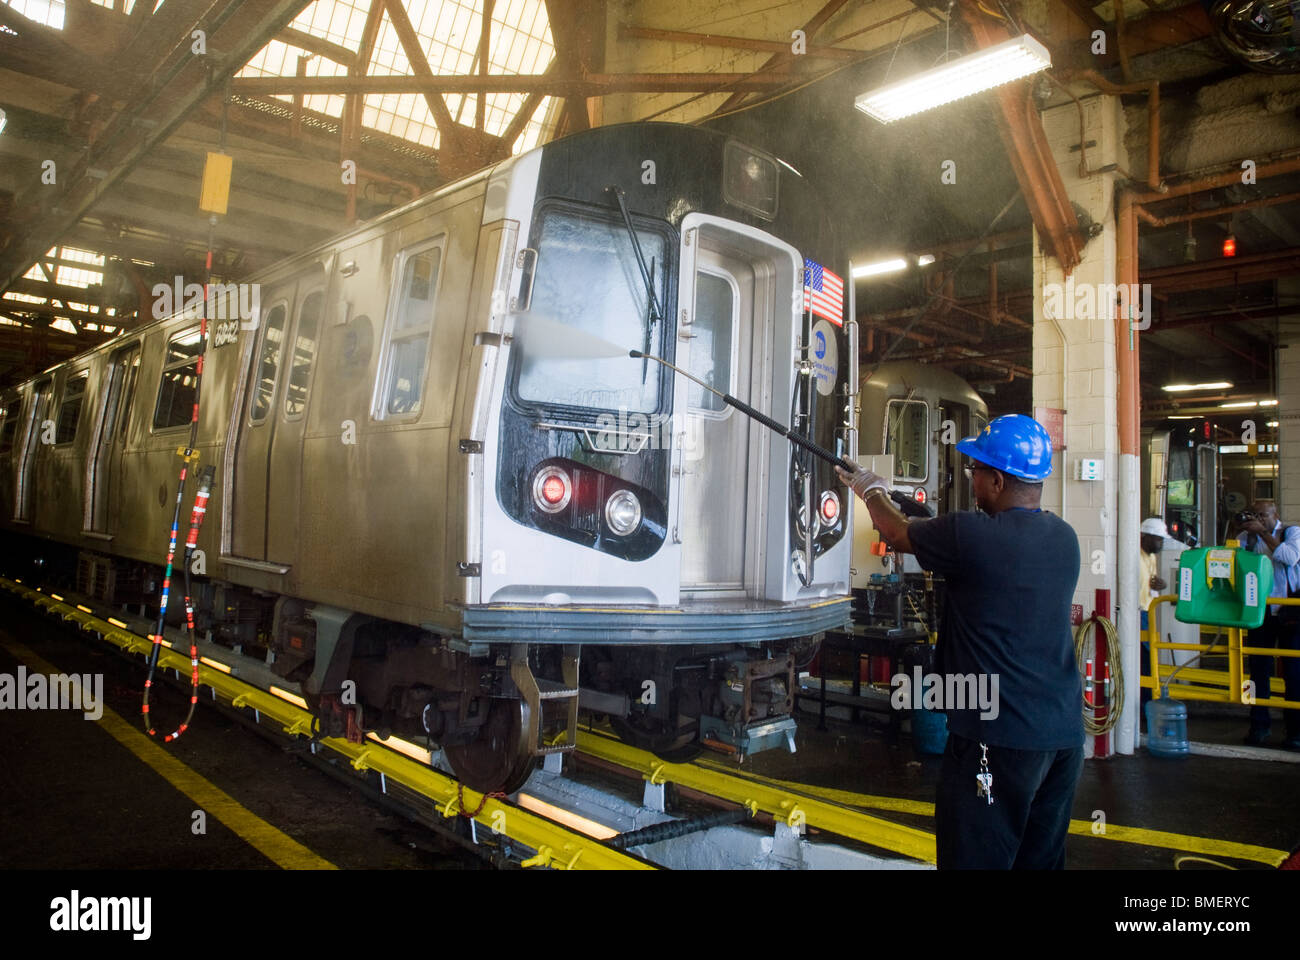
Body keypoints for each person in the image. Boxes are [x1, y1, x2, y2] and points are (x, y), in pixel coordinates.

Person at [837, 414, 1083, 869]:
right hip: (1061, 738)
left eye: (975, 471)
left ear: (996, 478)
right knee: (1039, 862)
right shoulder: (1064, 538)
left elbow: (896, 533)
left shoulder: (972, 535)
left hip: (996, 736)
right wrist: (908, 505)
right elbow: (965, 545)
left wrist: (869, 488)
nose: (971, 478)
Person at [1237, 500, 1300, 750]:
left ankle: (1295, 731)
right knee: (1256, 673)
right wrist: (1244, 534)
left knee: (1294, 673)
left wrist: (1263, 533)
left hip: (1289, 613)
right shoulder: (1246, 537)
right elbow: (1237, 563)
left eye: (1263, 516)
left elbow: (1290, 558)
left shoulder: (1291, 533)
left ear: (1276, 515)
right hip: (1259, 612)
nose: (1259, 520)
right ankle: (1257, 726)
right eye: (1255, 516)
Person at [1139, 517, 1169, 707]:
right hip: (1136, 614)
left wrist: (1161, 584)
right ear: (1144, 537)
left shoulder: (1151, 556)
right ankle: (1146, 705)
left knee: (1149, 661)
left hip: (1147, 613)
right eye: (1158, 539)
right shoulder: (1134, 554)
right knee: (1144, 662)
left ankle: (1148, 703)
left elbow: (1152, 584)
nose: (1161, 544)